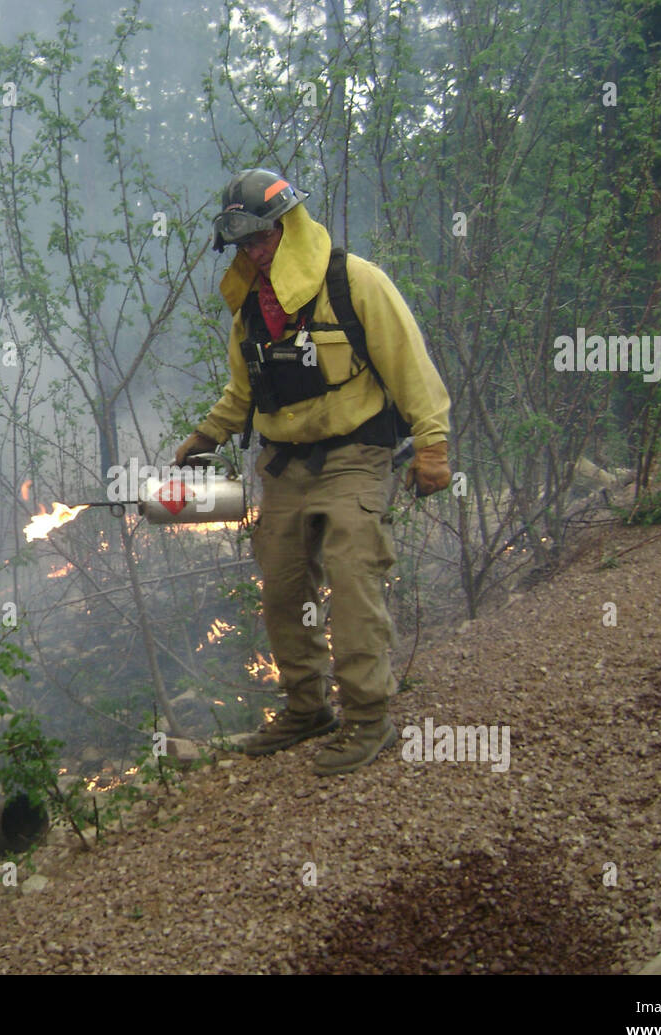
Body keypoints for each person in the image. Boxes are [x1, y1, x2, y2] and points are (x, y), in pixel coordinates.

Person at [175, 168, 451, 776]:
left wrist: (432, 445)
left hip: (356, 453)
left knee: (354, 576)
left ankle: (368, 717)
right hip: (284, 464)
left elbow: (411, 366)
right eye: (243, 244)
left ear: (287, 226)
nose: (253, 251)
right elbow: (244, 386)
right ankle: (306, 708)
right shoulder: (250, 305)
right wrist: (208, 434)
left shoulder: (354, 283)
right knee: (282, 585)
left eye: (260, 238)